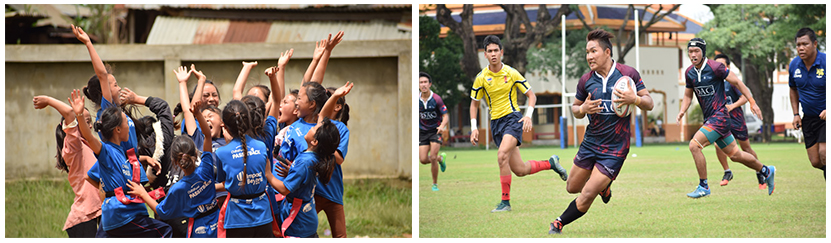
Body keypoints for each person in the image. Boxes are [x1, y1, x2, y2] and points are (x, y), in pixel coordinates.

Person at [548, 29, 654, 234]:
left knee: (588, 193)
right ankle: (603, 186)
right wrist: (583, 109)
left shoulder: (628, 74)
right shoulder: (586, 80)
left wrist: (635, 99)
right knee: (572, 187)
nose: (589, 56)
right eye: (587, 52)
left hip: (615, 148)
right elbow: (575, 109)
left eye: (593, 51)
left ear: (607, 52)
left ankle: (559, 223)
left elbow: (649, 103)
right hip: (591, 143)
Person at [469, 35, 568, 213]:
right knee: (520, 170)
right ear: (485, 54)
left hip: (513, 119)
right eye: (490, 51)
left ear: (501, 52)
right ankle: (551, 163)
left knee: (501, 155)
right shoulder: (481, 77)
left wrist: (528, 116)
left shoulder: (511, 72)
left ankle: (505, 202)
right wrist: (474, 127)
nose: (493, 54)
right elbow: (474, 104)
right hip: (496, 124)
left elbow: (532, 96)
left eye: (496, 50)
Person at [677, 38, 775, 199]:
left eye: (696, 51)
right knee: (736, 155)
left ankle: (703, 186)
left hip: (720, 117)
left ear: (703, 52)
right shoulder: (689, 73)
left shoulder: (716, 67)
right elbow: (688, 95)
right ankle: (766, 170)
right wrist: (682, 110)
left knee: (694, 145)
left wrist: (752, 102)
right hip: (710, 119)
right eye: (690, 51)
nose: (693, 55)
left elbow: (738, 82)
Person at [68, 89, 172, 237]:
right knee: (164, 231)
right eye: (126, 123)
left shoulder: (123, 153)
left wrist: (145, 160)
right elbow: (90, 137)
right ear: (117, 129)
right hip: (123, 214)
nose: (129, 126)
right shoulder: (106, 151)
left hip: (123, 213)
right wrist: (79, 115)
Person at [127, 100, 219, 238]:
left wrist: (142, 193)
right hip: (217, 223)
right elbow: (207, 136)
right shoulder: (206, 168)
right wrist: (198, 114)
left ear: (175, 162)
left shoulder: (177, 189)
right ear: (196, 153)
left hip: (198, 230)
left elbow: (161, 212)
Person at [33, 95, 102, 237]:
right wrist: (48, 100)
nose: (90, 126)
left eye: (90, 121)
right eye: (86, 121)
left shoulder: (89, 145)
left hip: (97, 211)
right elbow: (69, 113)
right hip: (83, 218)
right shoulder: (74, 146)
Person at [214, 100, 274, 238]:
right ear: (248, 122)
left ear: (225, 126)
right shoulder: (261, 146)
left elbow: (223, 181)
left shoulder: (221, 152)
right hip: (263, 215)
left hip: (237, 218)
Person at [711, 54, 765, 188]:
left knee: (746, 148)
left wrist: (732, 106)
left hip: (737, 120)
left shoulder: (732, 81)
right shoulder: (713, 83)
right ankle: (727, 171)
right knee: (717, 145)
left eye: (722, 65)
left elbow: (744, 98)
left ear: (728, 67)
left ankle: (760, 171)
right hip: (722, 121)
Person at [789, 27, 826, 179]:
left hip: (826, 118)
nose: (801, 48)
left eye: (805, 44)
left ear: (815, 44)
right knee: (816, 161)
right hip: (809, 119)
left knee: (825, 153)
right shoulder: (794, 65)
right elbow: (793, 89)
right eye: (798, 45)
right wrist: (796, 114)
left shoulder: (826, 62)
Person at [419, 71, 449, 191]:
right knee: (423, 159)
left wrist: (442, 126)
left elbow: (446, 116)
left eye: (425, 82)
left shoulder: (436, 99)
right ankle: (441, 159)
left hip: (435, 131)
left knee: (432, 157)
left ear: (430, 84)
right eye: (421, 82)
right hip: (423, 132)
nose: (423, 85)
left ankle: (434, 184)